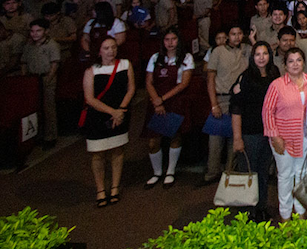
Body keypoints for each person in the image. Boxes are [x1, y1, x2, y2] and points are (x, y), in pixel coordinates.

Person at [263, 47, 307, 221]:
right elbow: (267, 112)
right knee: (285, 176)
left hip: (306, 137)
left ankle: (300, 211)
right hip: (283, 138)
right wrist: (274, 136)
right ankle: (285, 214)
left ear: (304, 62)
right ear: (285, 65)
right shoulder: (277, 85)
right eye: (291, 61)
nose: (295, 64)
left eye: (298, 60)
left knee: (302, 174)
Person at [82, 37, 135, 208]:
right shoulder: (91, 70)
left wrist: (120, 110)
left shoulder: (125, 64)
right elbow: (89, 99)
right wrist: (112, 112)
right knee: (98, 154)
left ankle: (114, 188)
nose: (110, 51)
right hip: (98, 116)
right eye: (106, 48)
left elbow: (131, 88)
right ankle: (100, 189)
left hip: (120, 112)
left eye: (113, 47)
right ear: (99, 51)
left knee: (117, 151)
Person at [230, 41, 280, 222]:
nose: (261, 57)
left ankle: (261, 207)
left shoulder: (274, 74)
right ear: (252, 57)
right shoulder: (246, 77)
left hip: (269, 132)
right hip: (250, 133)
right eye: (257, 54)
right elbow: (236, 108)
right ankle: (248, 211)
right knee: (248, 173)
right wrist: (237, 138)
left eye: (264, 54)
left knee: (263, 172)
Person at [143, 29, 194, 190]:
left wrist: (163, 99)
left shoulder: (186, 58)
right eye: (167, 39)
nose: (170, 42)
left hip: (175, 101)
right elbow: (149, 82)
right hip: (156, 102)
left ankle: (170, 171)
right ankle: (157, 172)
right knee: (153, 141)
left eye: (173, 39)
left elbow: (184, 83)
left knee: (175, 136)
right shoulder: (155, 58)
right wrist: (157, 102)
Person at [204, 24, 251, 184]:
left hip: (240, 101)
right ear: (227, 36)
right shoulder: (218, 51)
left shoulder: (246, 50)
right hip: (221, 99)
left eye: (239, 33)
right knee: (215, 141)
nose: (236, 37)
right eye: (233, 34)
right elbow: (210, 78)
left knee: (235, 141)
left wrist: (252, 39)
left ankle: (229, 174)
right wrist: (213, 104)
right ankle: (212, 173)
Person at [21, 18, 61, 149]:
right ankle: (37, 135)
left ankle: (51, 136)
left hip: (46, 77)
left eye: (38, 31)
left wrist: (48, 79)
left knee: (48, 107)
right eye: (32, 31)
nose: (35, 34)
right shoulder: (29, 46)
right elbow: (24, 63)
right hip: (32, 79)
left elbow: (54, 64)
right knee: (35, 108)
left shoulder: (52, 45)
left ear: (46, 31)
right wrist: (25, 78)